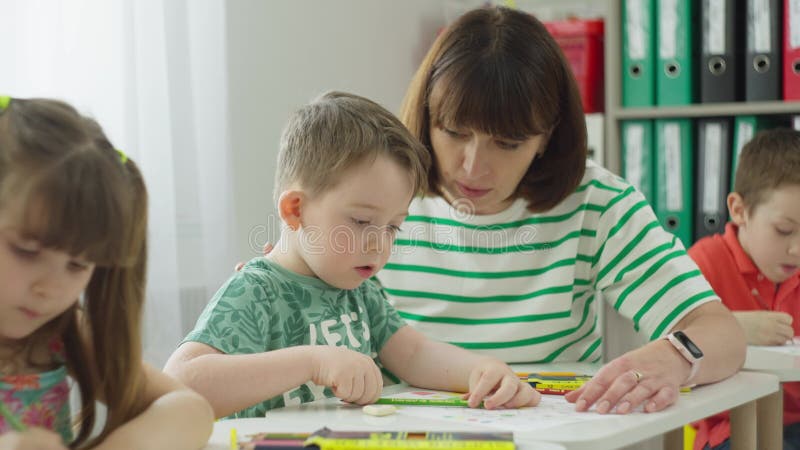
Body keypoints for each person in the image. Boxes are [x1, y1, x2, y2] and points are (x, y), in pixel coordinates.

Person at [377, 5, 745, 415]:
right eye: (454, 132)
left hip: (548, 433)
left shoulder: (597, 203)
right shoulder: (378, 196)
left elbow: (721, 332)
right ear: (427, 117)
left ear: (546, 137)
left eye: (508, 143)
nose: (472, 165)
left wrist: (676, 358)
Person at [163, 91, 539, 419]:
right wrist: (313, 361)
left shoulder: (359, 291)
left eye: (393, 226)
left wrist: (480, 370)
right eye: (361, 221)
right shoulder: (256, 292)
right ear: (296, 210)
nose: (380, 245)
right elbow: (181, 383)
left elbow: (414, 353)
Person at [0, 96, 214, 449]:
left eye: (78, 265)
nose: (51, 288)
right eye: (26, 251)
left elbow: (190, 409)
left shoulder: (62, 331)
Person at [688, 128, 800, 450]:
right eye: (784, 230)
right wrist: (728, 327)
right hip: (732, 426)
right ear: (739, 211)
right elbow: (660, 337)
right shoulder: (704, 262)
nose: (796, 249)